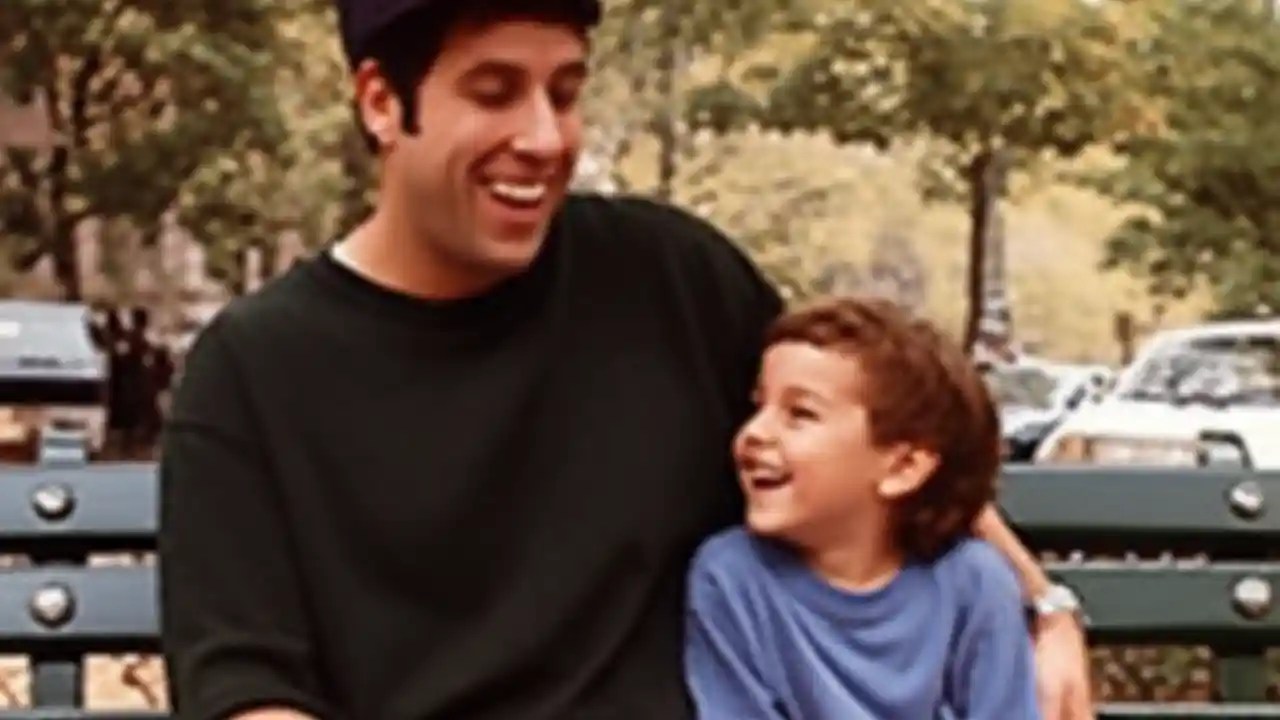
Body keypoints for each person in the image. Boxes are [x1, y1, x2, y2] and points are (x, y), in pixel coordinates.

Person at [157, 1, 1091, 718]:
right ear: (379, 102)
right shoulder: (254, 372)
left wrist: (1044, 607)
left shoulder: (669, 277)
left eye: (564, 91)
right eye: (493, 93)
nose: (546, 138)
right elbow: (248, 686)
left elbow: (881, 445)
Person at [684, 297, 1039, 718]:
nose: (755, 432)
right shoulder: (731, 577)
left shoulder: (974, 583)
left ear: (904, 467)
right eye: (758, 407)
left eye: (799, 414)